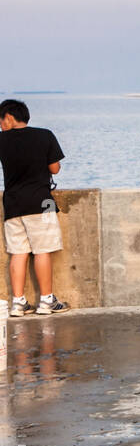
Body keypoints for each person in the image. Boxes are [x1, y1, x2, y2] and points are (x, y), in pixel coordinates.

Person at [0, 98, 70, 315]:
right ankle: (47, 301)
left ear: (9, 117)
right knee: (43, 251)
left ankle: (18, 303)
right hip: (42, 201)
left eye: (0, 120)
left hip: (12, 204)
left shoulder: (1, 140)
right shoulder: (44, 135)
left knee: (18, 253)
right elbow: (55, 168)